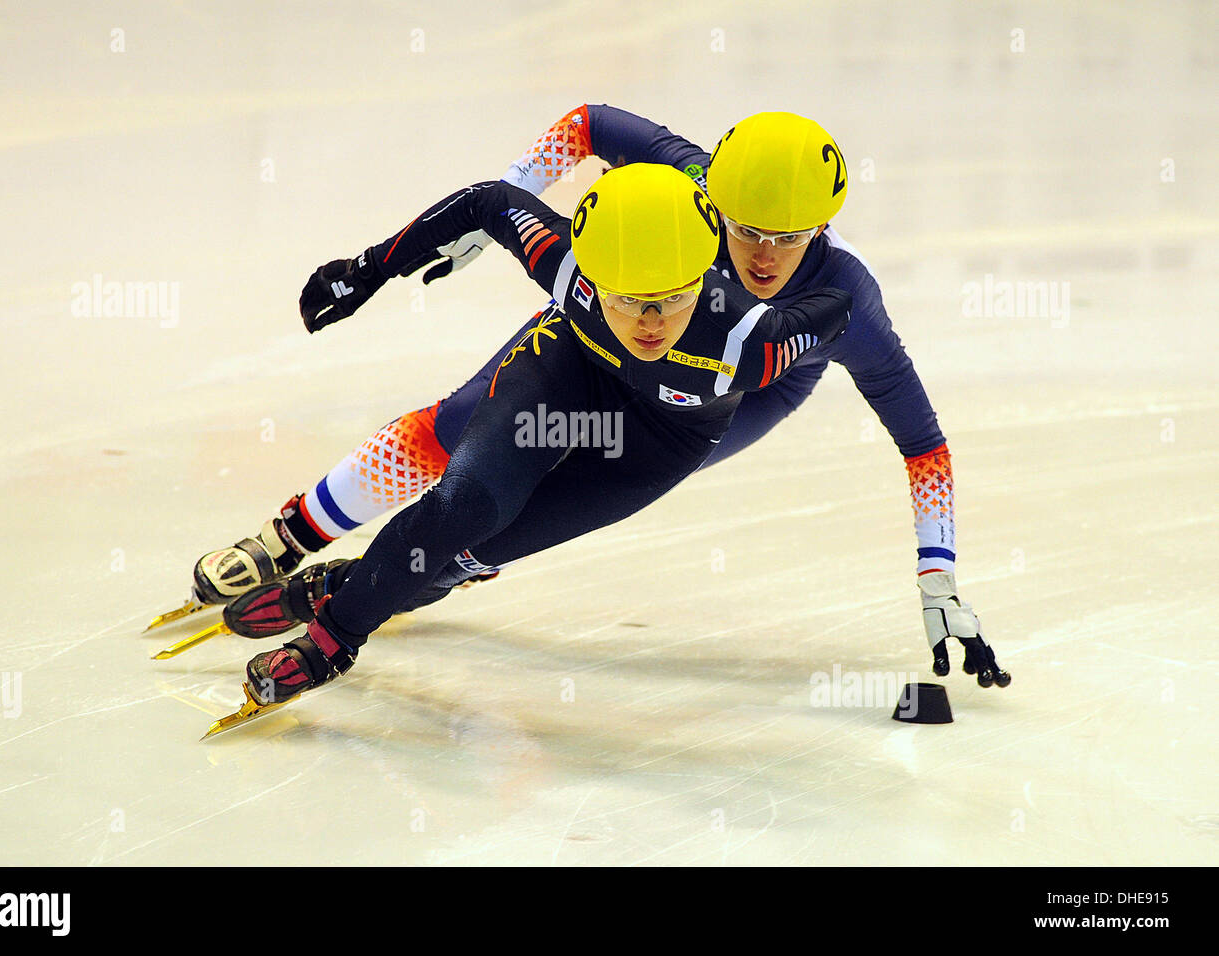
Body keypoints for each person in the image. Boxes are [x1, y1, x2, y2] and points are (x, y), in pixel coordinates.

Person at [190, 107, 1009, 689]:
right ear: (708, 198)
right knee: (459, 438)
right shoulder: (672, 197)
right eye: (743, 227)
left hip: (708, 400)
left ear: (821, 231)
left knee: (493, 539)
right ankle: (294, 533)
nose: (762, 254)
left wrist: (937, 574)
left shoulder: (834, 309)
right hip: (602, 327)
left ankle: (375, 584)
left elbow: (922, 442)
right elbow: (582, 126)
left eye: (787, 237)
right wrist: (477, 219)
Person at [221, 162, 853, 711]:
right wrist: (368, 269)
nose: (652, 323)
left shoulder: (755, 340)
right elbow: (490, 202)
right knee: (462, 508)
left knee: (471, 556)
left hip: (653, 443)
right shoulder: (568, 268)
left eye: (674, 298)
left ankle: (347, 585)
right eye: (630, 299)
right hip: (569, 372)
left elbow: (845, 306)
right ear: (592, 276)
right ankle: (333, 637)